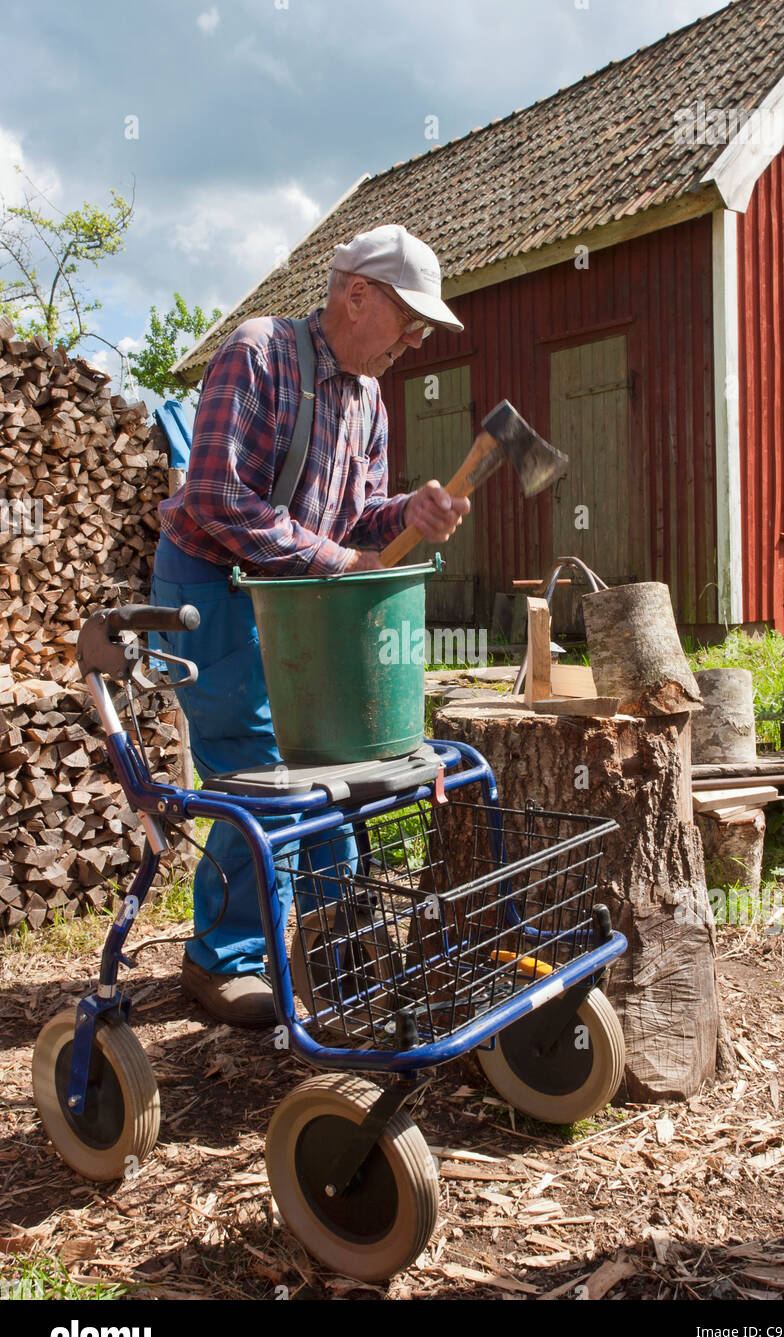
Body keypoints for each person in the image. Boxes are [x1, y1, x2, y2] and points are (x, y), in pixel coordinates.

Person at [150, 224, 469, 1026]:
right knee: (254, 770)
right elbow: (218, 498)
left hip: (297, 596)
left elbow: (361, 517)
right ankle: (222, 957)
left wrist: (412, 512)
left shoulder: (368, 399)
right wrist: (335, 564)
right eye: (409, 318)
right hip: (213, 586)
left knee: (332, 761)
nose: (416, 339)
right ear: (356, 293)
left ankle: (332, 943)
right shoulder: (258, 353)